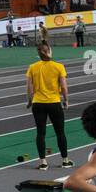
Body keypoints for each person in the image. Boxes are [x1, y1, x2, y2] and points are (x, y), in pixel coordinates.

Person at [26, 42, 70, 170]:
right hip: (54, 103)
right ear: (49, 51)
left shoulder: (32, 67)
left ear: (38, 54)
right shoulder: (59, 67)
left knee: (41, 133)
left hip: (38, 103)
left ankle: (43, 162)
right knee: (60, 132)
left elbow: (29, 87)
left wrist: (30, 101)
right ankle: (65, 160)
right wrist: (66, 100)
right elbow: (64, 86)